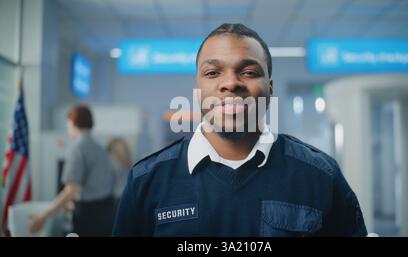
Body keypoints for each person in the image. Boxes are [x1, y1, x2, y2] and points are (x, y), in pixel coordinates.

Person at [112, 24, 367, 236]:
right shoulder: (147, 181)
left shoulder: (321, 177)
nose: (231, 83)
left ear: (270, 89)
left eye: (248, 72)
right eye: (213, 72)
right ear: (197, 89)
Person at [29, 105, 116, 236]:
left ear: (72, 122)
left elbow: (71, 190)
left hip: (89, 216)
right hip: (107, 211)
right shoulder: (100, 147)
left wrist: (43, 216)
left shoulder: (77, 148)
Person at [107, 137, 133, 201]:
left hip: (116, 197)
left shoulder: (112, 164)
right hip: (130, 196)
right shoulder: (132, 163)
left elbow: (109, 184)